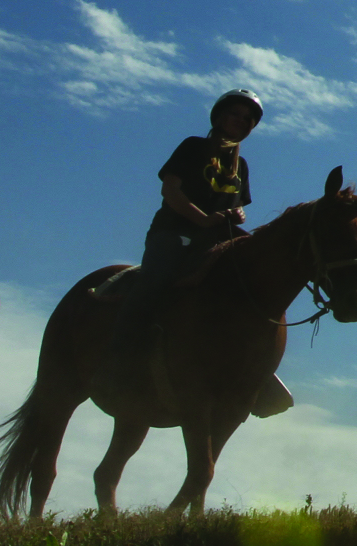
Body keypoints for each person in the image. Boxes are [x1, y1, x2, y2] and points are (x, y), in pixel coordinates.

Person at [112, 88, 264, 372]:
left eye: (247, 118)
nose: (240, 121)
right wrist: (203, 219)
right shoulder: (194, 147)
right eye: (235, 113)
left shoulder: (240, 166)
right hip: (174, 233)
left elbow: (234, 204)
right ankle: (120, 354)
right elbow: (171, 190)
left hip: (216, 241)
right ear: (219, 116)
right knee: (155, 278)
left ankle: (258, 368)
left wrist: (238, 214)